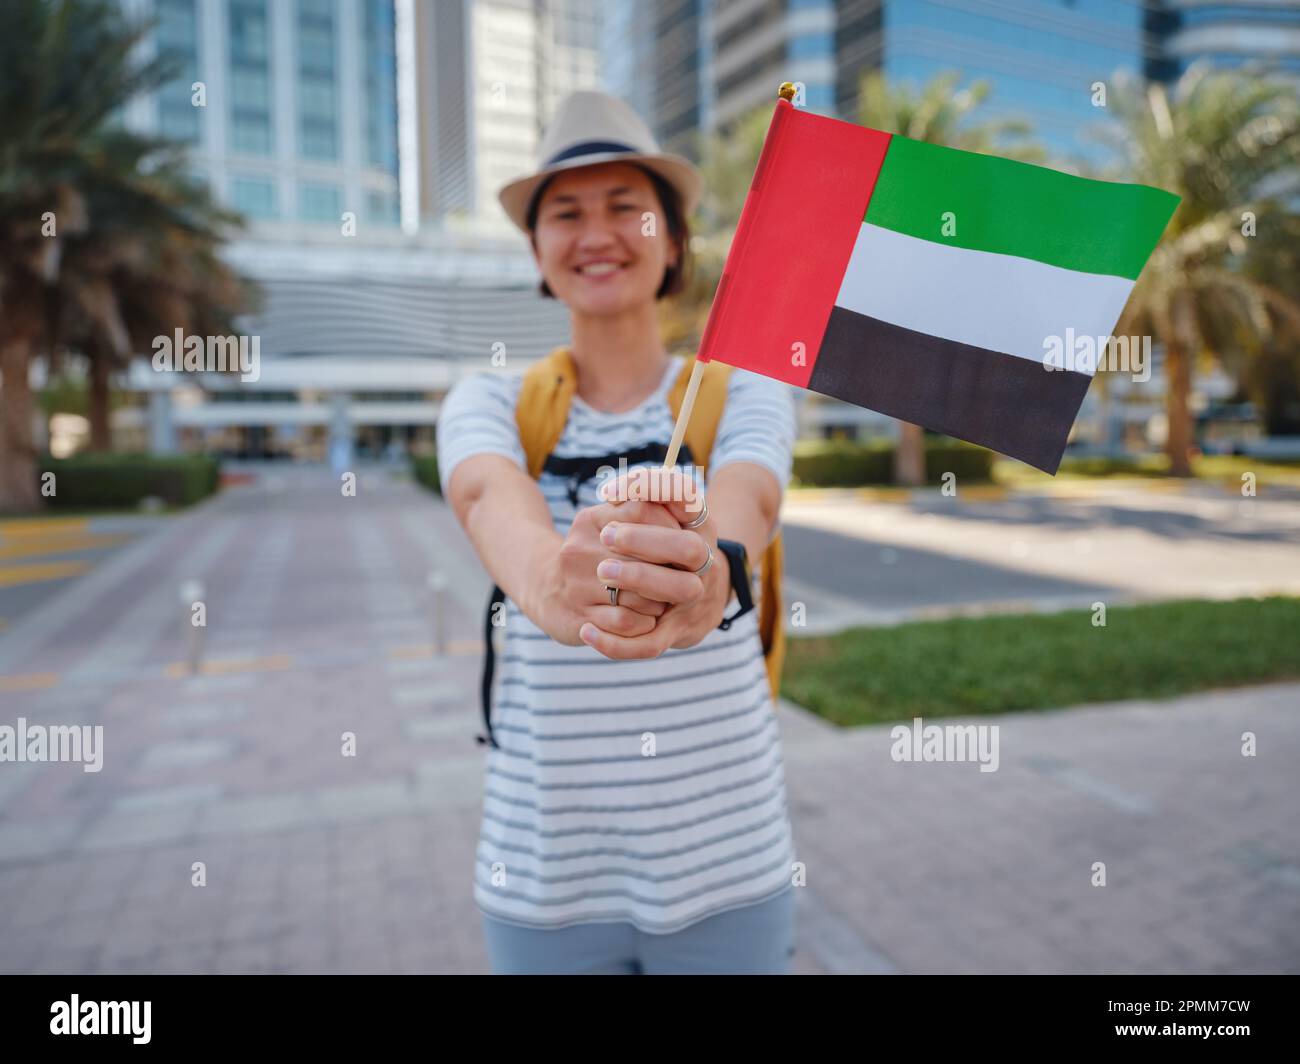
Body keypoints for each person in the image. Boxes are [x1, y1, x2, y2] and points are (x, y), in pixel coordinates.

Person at [436, 90, 799, 975]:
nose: (595, 233)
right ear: (538, 250)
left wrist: (714, 573)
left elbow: (750, 502)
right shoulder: (488, 401)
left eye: (626, 209)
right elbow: (491, 503)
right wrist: (552, 584)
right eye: (565, 213)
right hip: (543, 872)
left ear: (673, 242)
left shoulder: (742, 392)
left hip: (729, 860)